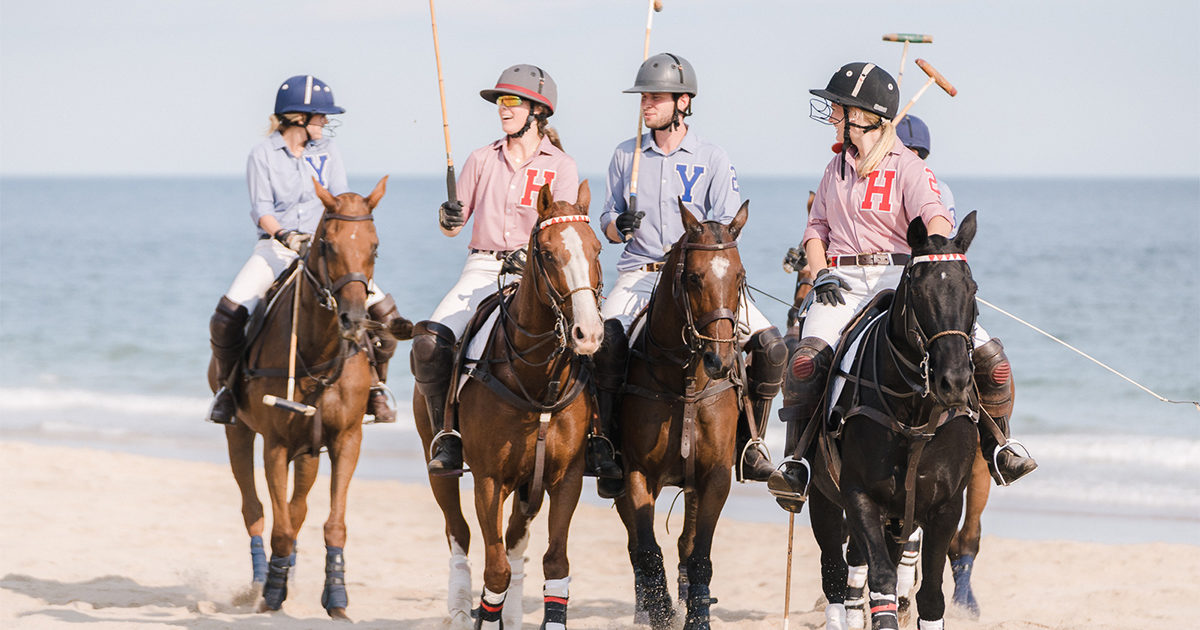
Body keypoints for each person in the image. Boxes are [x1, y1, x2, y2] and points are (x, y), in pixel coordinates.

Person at [767, 63, 1036, 510]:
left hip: (900, 277)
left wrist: (932, 256)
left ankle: (998, 446)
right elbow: (816, 229)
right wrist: (819, 273)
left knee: (992, 360)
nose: (832, 113)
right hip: (843, 283)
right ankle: (798, 461)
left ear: (862, 115)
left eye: (839, 107)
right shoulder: (835, 168)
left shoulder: (909, 168)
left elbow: (936, 216)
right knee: (805, 362)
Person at [596, 52, 788, 497]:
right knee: (602, 343)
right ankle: (604, 442)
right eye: (644, 97)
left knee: (772, 348)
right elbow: (606, 218)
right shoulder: (626, 155)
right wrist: (618, 225)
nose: (646, 104)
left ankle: (751, 444)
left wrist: (700, 248)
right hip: (641, 273)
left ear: (683, 102)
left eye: (656, 97)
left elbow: (727, 225)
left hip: (702, 279)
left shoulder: (712, 157)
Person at [413, 64, 618, 477]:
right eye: (500, 102)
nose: (503, 109)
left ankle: (597, 437)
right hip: (483, 266)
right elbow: (453, 227)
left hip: (539, 273)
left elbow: (563, 229)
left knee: (594, 341)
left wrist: (530, 259)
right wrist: (448, 216)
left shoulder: (562, 166)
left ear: (537, 111)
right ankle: (446, 435)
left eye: (511, 101)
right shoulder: (480, 159)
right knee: (430, 345)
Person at [206, 75, 402, 425]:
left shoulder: (328, 151)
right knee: (226, 317)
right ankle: (228, 389)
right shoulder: (263, 154)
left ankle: (375, 387)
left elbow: (340, 201)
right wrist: (286, 236)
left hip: (324, 251)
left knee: (386, 318)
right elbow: (261, 209)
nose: (325, 121)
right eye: (320, 115)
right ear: (298, 117)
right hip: (276, 248)